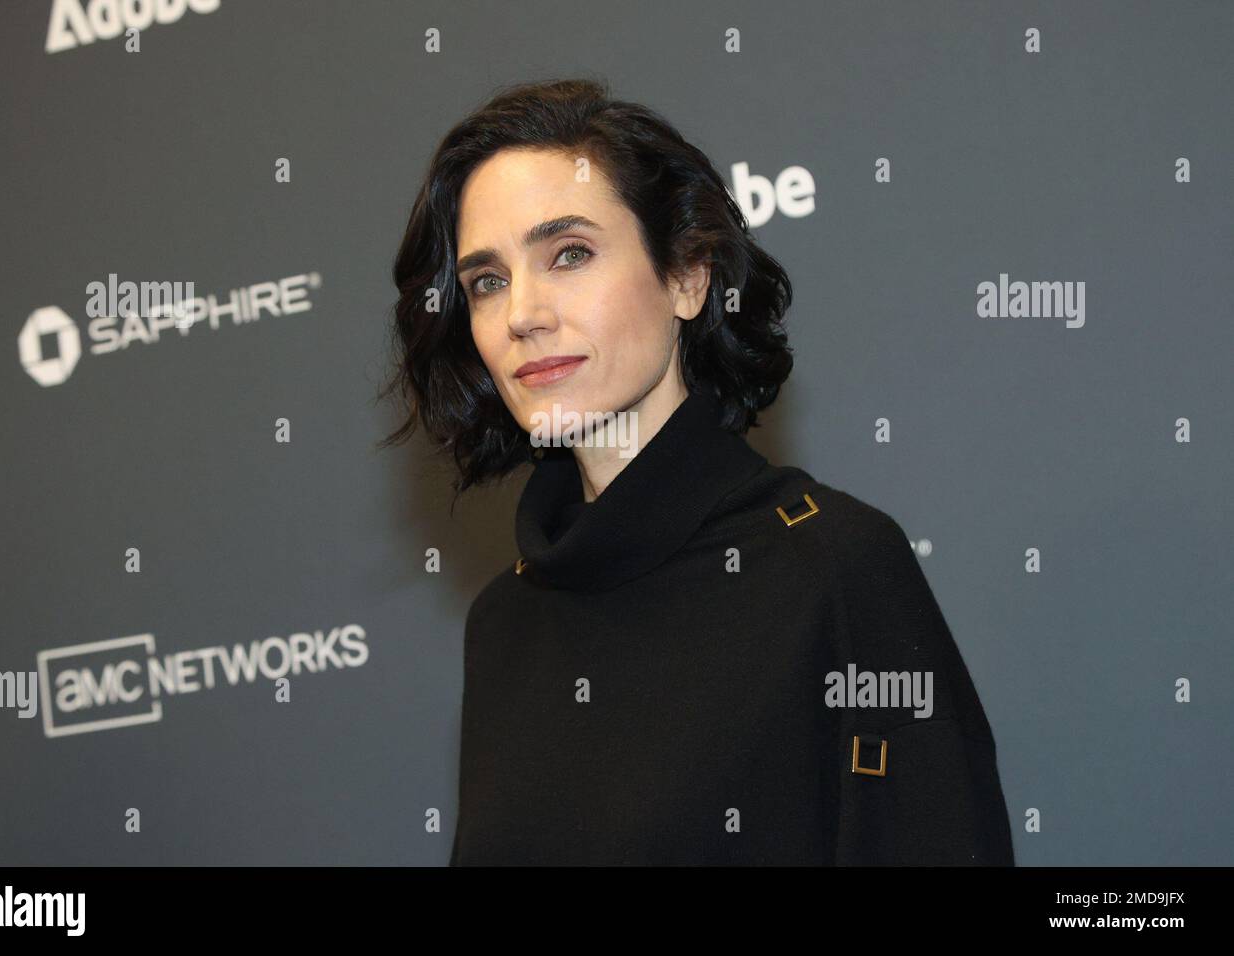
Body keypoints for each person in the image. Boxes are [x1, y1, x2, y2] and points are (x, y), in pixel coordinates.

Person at [382, 77, 1015, 866]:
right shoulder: (505, 622)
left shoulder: (836, 567)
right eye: (488, 281)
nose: (523, 314)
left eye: (569, 254)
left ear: (687, 275)